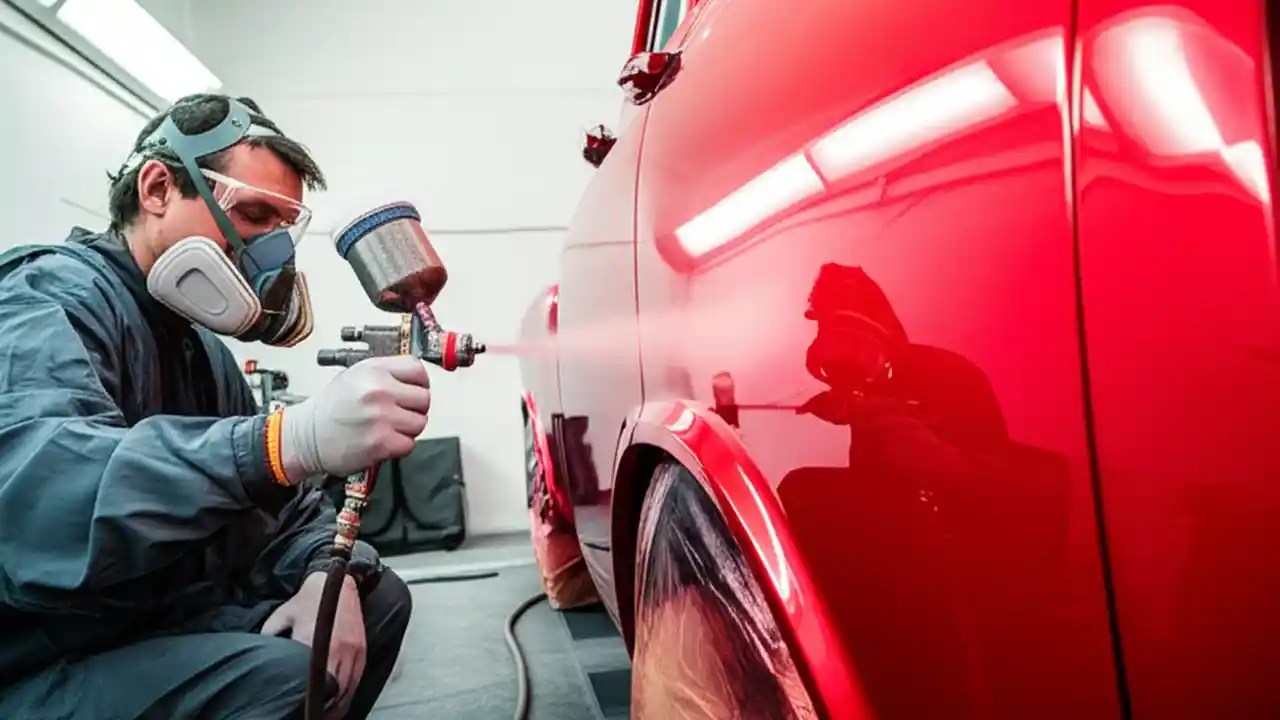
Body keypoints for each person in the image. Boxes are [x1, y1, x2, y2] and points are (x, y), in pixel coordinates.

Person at [0, 93, 432, 719]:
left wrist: (323, 574)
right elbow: (49, 502)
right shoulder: (46, 300)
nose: (269, 252)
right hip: (46, 653)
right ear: (157, 189)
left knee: (374, 597)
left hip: (147, 619)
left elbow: (285, 511)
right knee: (286, 679)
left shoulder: (195, 343)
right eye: (253, 214)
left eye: (283, 228)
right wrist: (285, 442)